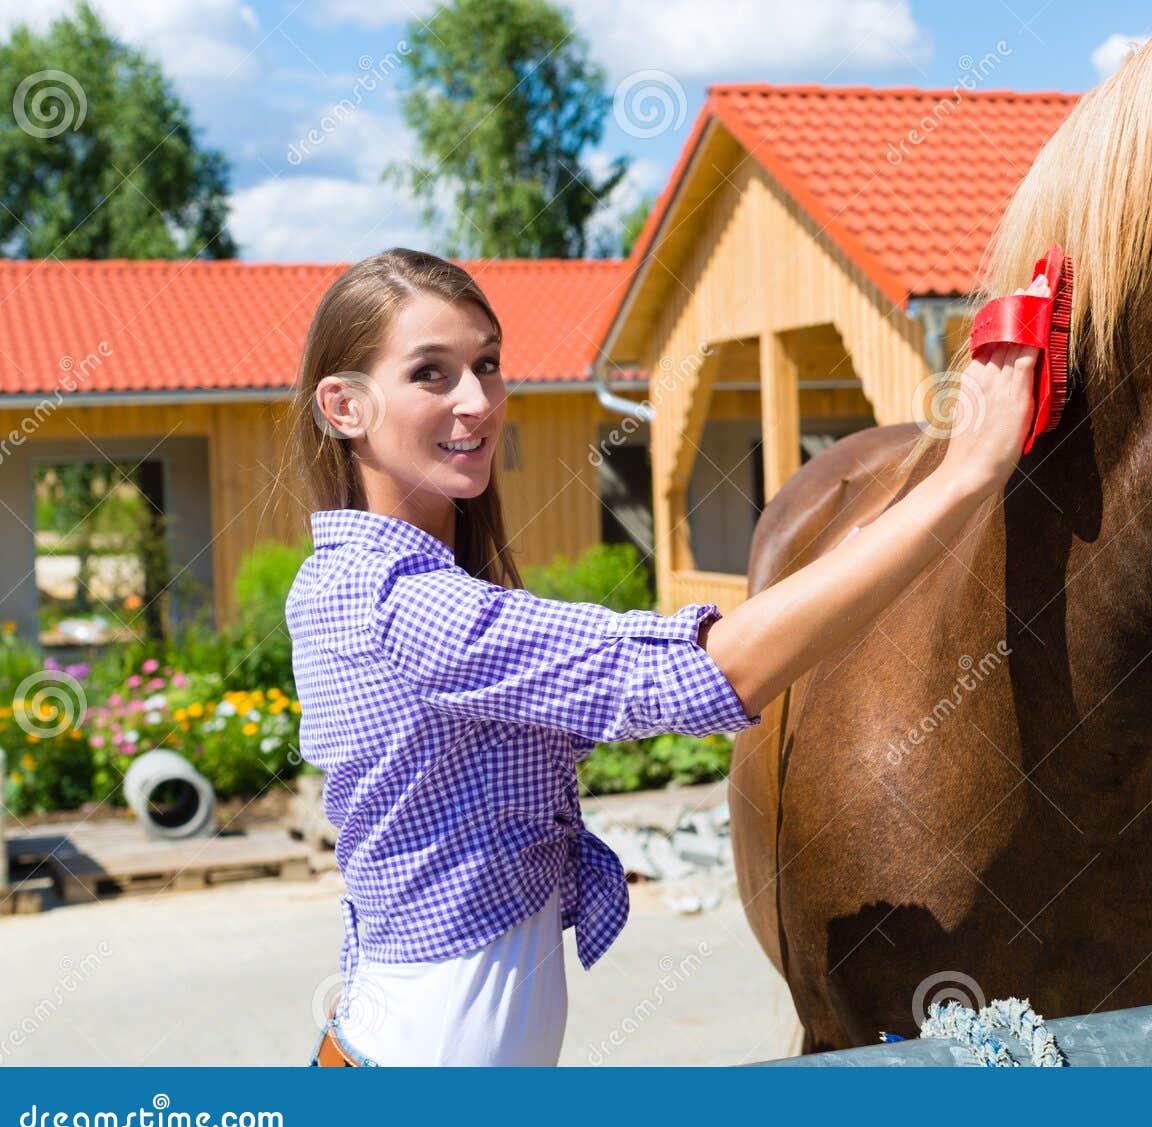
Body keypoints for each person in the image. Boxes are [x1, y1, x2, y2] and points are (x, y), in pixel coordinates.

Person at [292, 247, 1038, 1066]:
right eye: (430, 373)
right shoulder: (396, 605)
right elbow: (701, 672)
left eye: (488, 364)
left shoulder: (382, 582)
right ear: (345, 405)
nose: (476, 400)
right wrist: (966, 471)